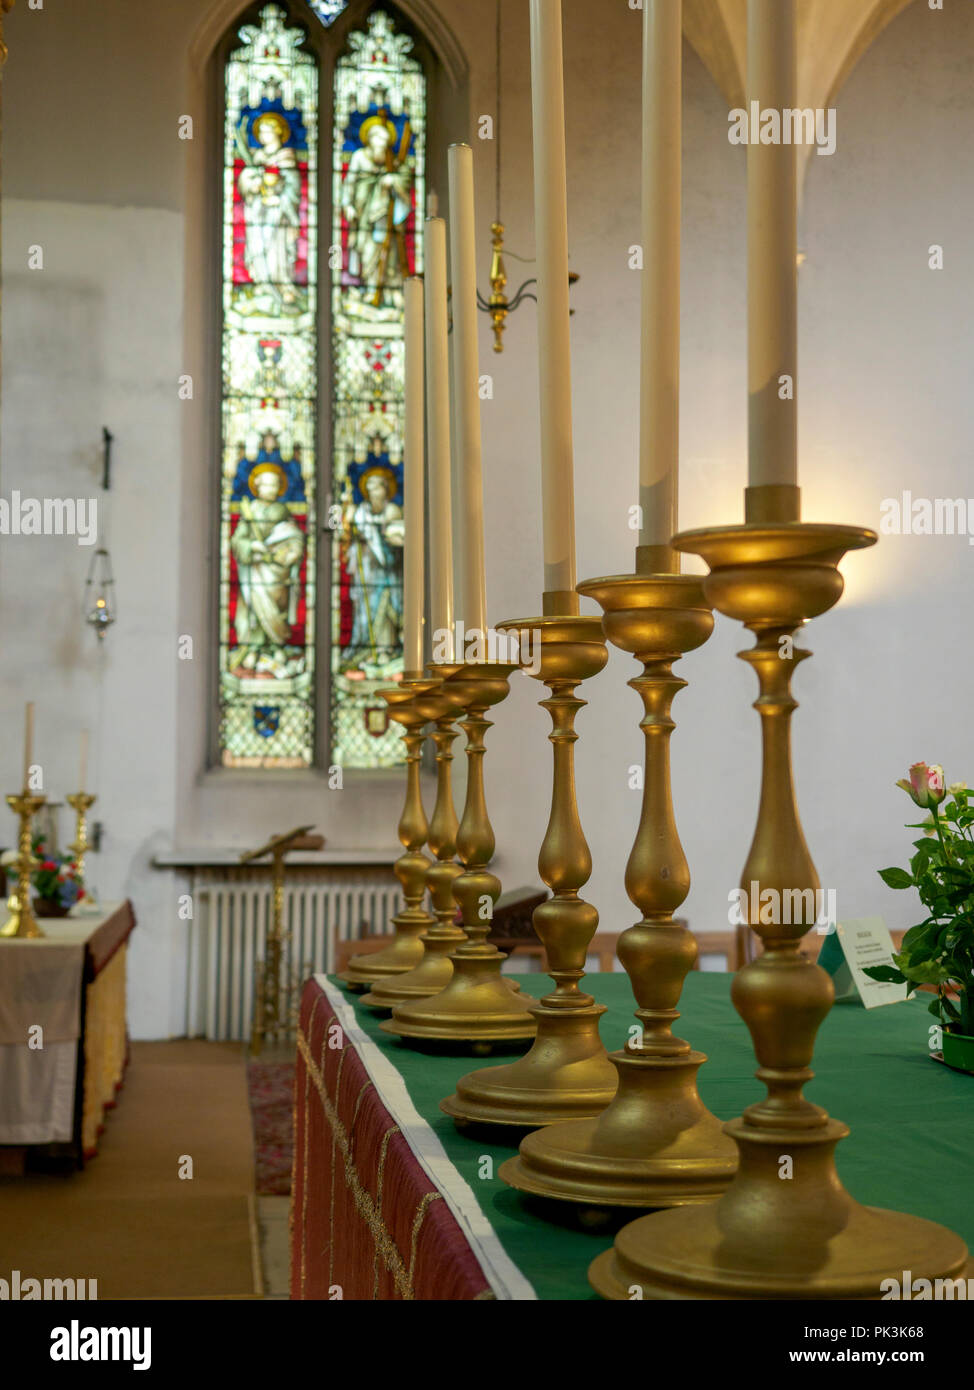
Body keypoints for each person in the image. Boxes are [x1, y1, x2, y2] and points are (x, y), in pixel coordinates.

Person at [231, 464, 305, 676]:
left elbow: (294, 537)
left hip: (277, 572)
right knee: (253, 611)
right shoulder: (251, 510)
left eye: (275, 485)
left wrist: (291, 553)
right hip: (255, 570)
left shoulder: (281, 511)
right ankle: (254, 648)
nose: (271, 489)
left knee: (275, 609)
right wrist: (251, 546)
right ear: (257, 487)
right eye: (267, 485)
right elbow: (238, 540)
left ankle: (275, 647)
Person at [343, 116, 412, 309]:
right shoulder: (359, 157)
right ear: (369, 139)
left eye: (384, 139)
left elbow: (404, 185)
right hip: (363, 215)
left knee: (387, 252)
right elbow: (349, 183)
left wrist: (393, 182)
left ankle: (386, 291)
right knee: (366, 251)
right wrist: (347, 204)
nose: (381, 143)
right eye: (377, 138)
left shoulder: (394, 163)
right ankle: (368, 289)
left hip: (383, 217)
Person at [343, 465, 404, 668]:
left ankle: (386, 649)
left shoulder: (392, 509)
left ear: (386, 489)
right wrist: (345, 517)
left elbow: (396, 537)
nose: (372, 493)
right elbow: (336, 530)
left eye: (376, 488)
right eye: (368, 489)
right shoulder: (360, 511)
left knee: (385, 608)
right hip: (366, 569)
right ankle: (367, 649)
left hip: (388, 570)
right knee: (365, 607)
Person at [237, 111, 301, 304]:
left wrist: (280, 200)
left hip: (278, 214)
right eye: (261, 132)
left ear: (278, 132)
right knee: (259, 248)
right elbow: (245, 183)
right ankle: (262, 284)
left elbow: (293, 188)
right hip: (257, 213)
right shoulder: (257, 157)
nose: (263, 136)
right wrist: (252, 184)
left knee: (277, 251)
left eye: (267, 132)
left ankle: (282, 285)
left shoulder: (286, 157)